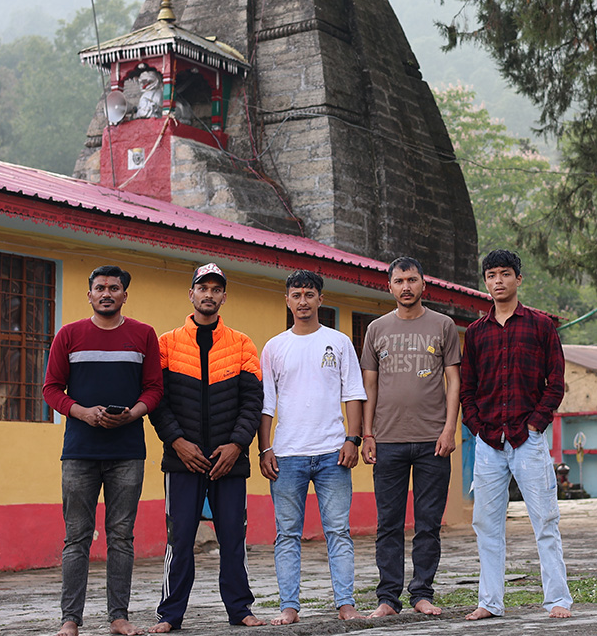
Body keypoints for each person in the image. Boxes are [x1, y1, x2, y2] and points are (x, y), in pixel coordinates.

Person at [43, 265, 164, 636]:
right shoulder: (69, 335)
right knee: (76, 536)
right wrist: (83, 413)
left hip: (127, 451)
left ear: (125, 294)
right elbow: (51, 389)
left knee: (121, 536)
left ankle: (118, 616)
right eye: (100, 288)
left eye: (114, 287)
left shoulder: (143, 335)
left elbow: (155, 389)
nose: (107, 293)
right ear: (90, 295)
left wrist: (132, 415)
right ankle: (70, 619)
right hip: (79, 452)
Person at [147, 263, 266, 631]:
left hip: (229, 461)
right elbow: (157, 401)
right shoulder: (166, 343)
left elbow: (252, 402)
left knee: (233, 537)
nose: (209, 295)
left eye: (216, 289)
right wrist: (178, 442)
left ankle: (240, 610)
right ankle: (170, 615)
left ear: (224, 297)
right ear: (192, 294)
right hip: (182, 460)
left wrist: (236, 445)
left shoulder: (242, 343)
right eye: (203, 288)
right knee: (179, 538)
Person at [459, 249, 572, 620]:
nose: (497, 282)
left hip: (528, 439)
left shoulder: (541, 326)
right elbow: (467, 388)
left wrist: (536, 423)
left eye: (505, 274)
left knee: (545, 520)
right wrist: (476, 426)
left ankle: (557, 600)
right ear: (485, 281)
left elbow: (556, 383)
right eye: (491, 275)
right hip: (488, 442)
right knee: (486, 525)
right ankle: (490, 602)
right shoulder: (475, 333)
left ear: (518, 279)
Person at [257, 270, 366, 624]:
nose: (302, 301)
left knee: (338, 530)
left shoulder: (339, 341)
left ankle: (345, 603)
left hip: (333, 452)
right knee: (287, 533)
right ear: (287, 300)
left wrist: (353, 438)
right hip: (287, 455)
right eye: (296, 295)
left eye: (309, 294)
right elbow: (266, 403)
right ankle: (289, 605)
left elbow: (353, 393)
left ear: (320, 299)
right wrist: (264, 448)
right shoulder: (274, 347)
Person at [360, 256, 461, 618]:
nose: (406, 287)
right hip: (388, 440)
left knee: (428, 524)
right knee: (388, 524)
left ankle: (422, 593)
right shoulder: (376, 329)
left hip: (434, 440)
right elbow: (368, 386)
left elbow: (454, 382)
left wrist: (450, 428)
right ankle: (388, 598)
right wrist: (366, 434)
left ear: (423, 285)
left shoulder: (443, 325)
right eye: (399, 281)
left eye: (412, 280)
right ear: (389, 286)